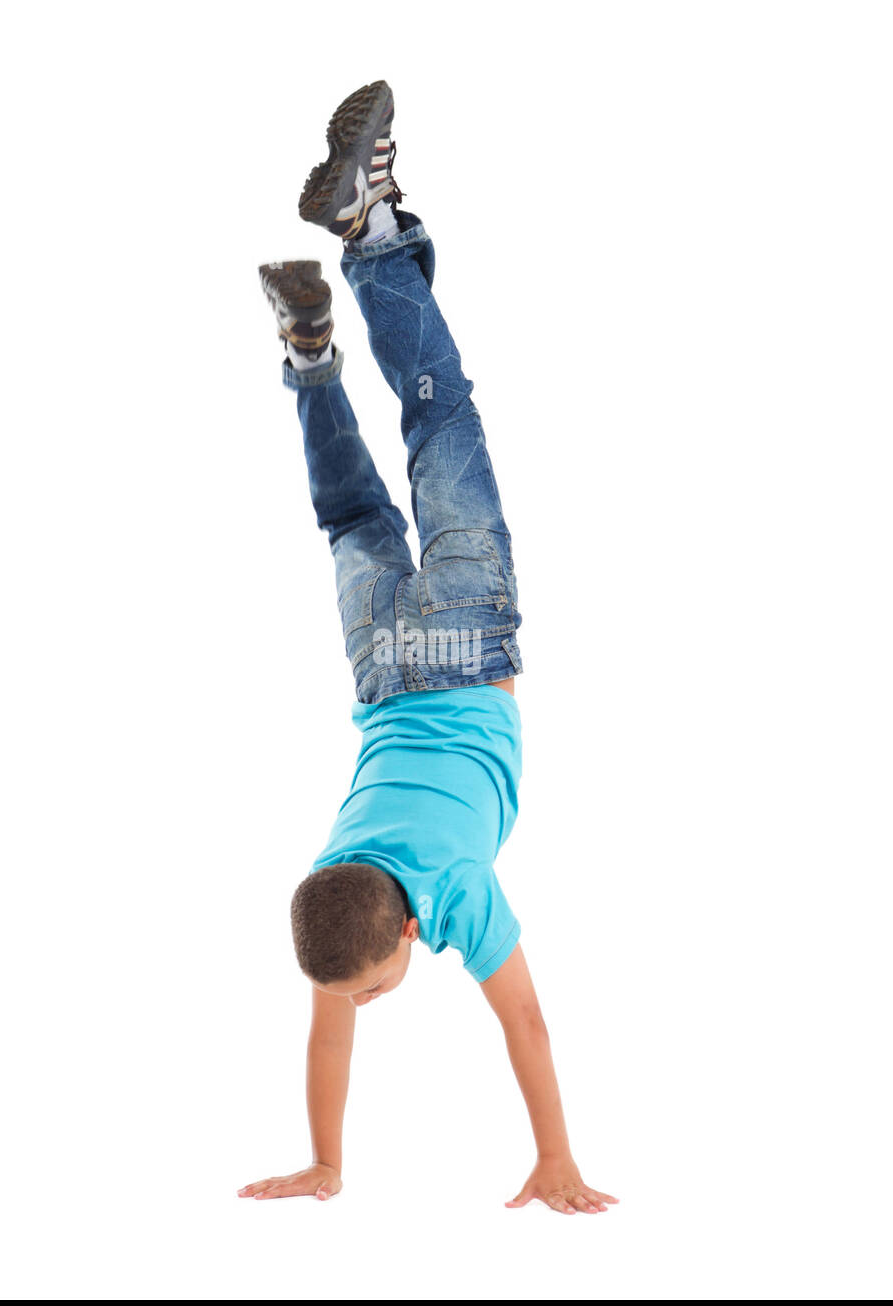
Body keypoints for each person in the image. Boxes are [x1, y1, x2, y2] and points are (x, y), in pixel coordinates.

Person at [238, 81, 618, 1216]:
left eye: (373, 988)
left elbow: (528, 1022)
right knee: (353, 519)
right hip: (376, 666)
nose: (364, 1003)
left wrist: (554, 1156)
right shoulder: (333, 883)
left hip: (461, 642)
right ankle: (308, 351)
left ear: (406, 928)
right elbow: (329, 1023)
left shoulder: (448, 895)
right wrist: (326, 1163)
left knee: (440, 419)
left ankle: (369, 231)